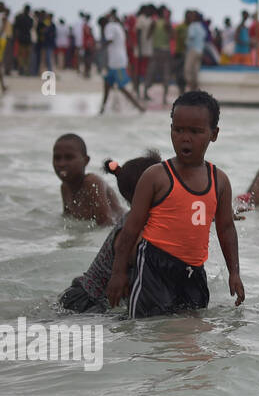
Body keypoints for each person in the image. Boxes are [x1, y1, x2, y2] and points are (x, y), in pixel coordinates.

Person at [105, 91, 244, 317]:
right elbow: (131, 228)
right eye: (178, 130)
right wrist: (118, 272)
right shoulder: (156, 176)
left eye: (195, 131)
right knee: (147, 330)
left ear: (214, 134)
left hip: (194, 272)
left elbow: (226, 228)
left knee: (192, 334)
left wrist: (234, 273)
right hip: (153, 267)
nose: (185, 138)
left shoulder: (219, 181)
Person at [58, 152, 163, 312]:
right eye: (166, 184)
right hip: (88, 304)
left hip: (95, 300)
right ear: (147, 192)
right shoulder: (133, 228)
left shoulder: (140, 219)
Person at [52, 133, 122, 225]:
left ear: (86, 160)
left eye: (69, 157)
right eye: (57, 158)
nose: (62, 163)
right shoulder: (65, 187)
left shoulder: (92, 183)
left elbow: (106, 224)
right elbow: (68, 220)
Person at [99, 10, 145, 114]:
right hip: (116, 61)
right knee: (107, 84)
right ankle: (102, 109)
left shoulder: (109, 27)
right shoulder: (117, 25)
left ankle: (139, 107)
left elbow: (109, 40)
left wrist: (100, 45)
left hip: (117, 62)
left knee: (122, 87)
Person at [182, 10, 205, 91]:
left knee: (187, 70)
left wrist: (186, 46)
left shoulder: (193, 26)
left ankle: (192, 88)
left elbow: (191, 37)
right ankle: (194, 89)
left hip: (192, 50)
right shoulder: (201, 27)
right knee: (195, 71)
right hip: (200, 51)